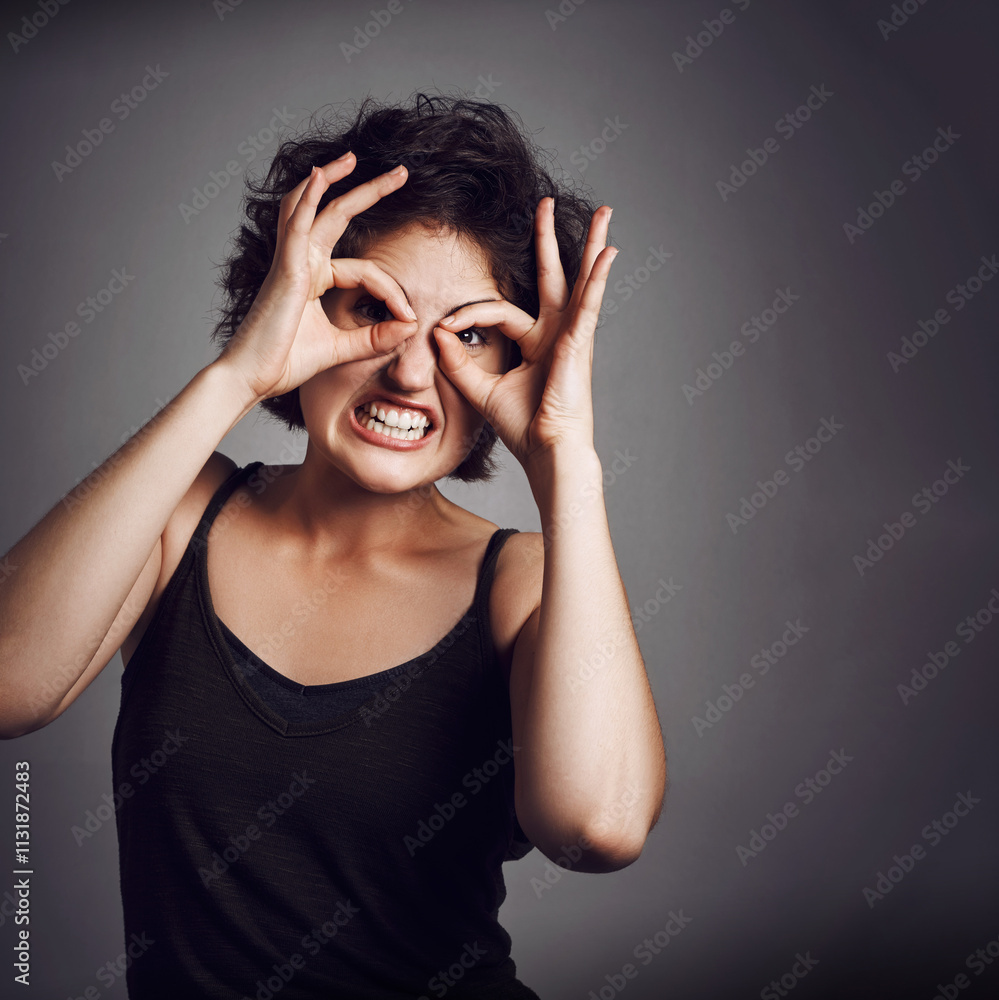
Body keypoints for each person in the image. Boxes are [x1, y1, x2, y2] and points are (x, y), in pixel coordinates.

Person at [0, 93, 667, 998]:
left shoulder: (522, 582)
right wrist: (238, 373)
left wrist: (565, 464)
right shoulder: (184, 512)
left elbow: (598, 828)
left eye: (470, 334)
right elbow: (9, 685)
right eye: (369, 307)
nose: (412, 369)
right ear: (296, 302)